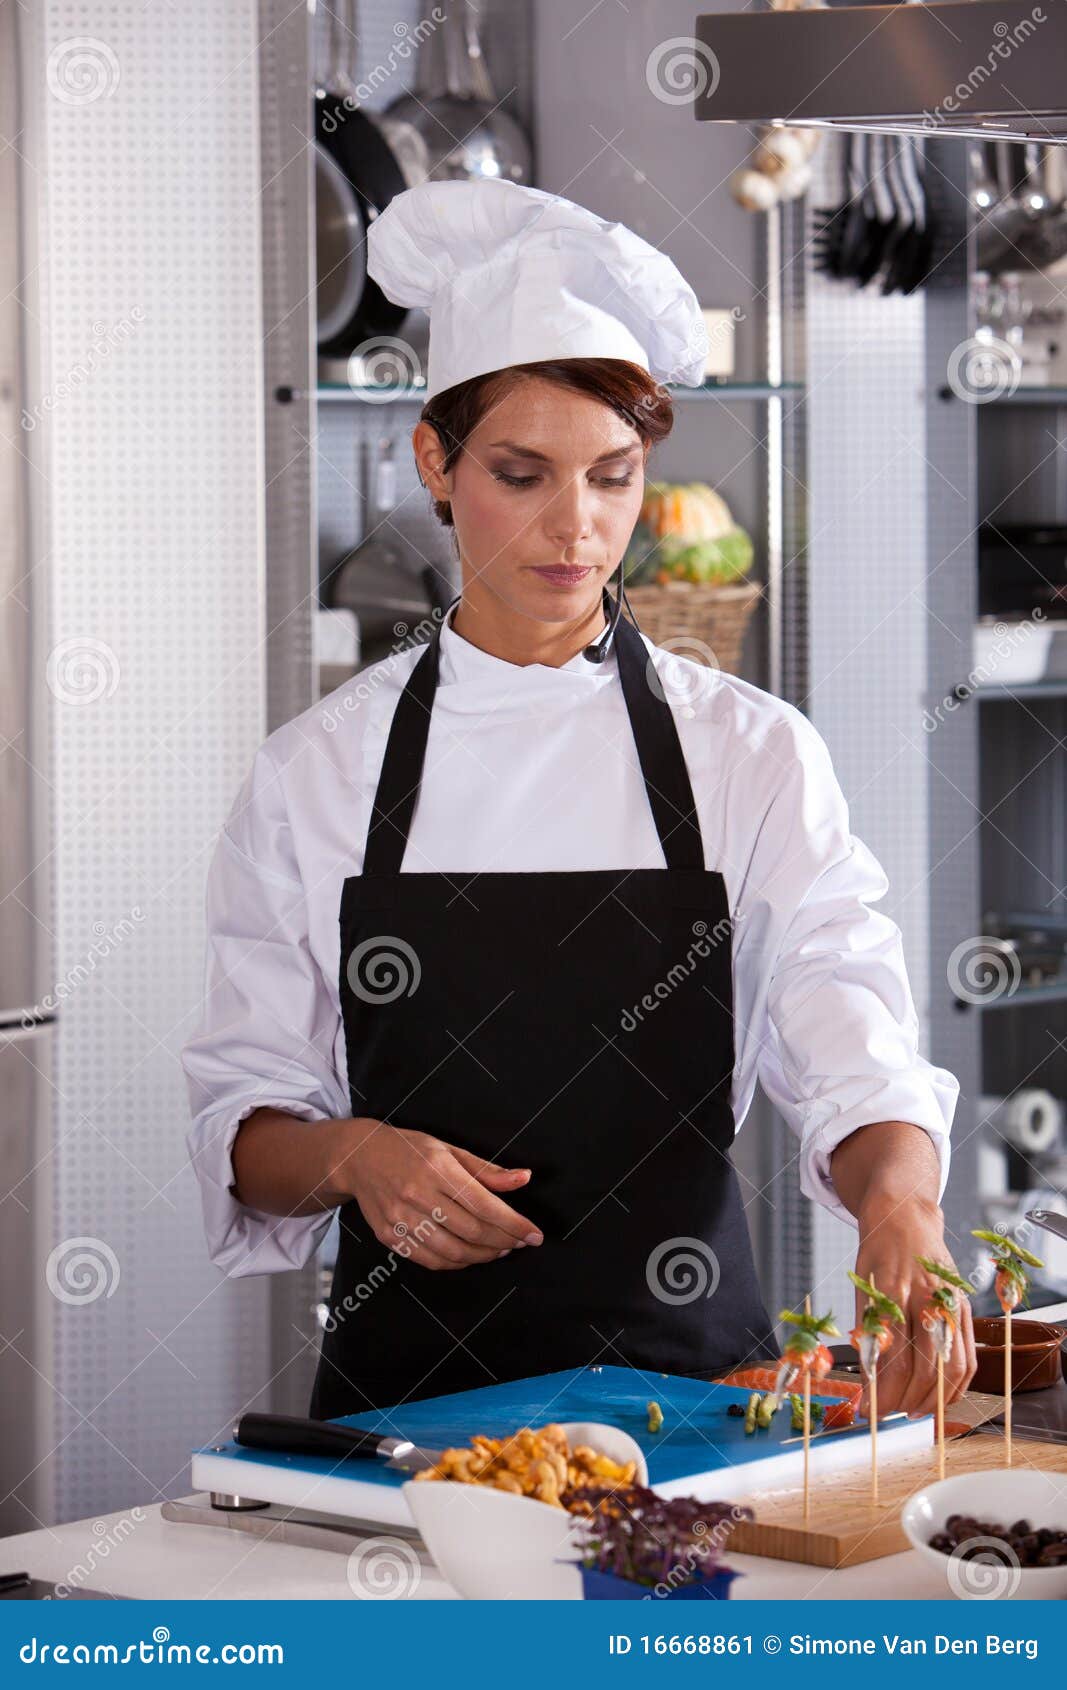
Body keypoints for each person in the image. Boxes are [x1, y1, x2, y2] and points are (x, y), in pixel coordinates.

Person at [182, 179, 974, 1421]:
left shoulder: (747, 754)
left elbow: (848, 1038)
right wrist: (353, 1154)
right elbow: (245, 1118)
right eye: (522, 472)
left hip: (698, 1410)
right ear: (434, 461)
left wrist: (901, 1204)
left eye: (612, 476)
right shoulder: (316, 771)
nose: (577, 528)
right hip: (404, 1419)